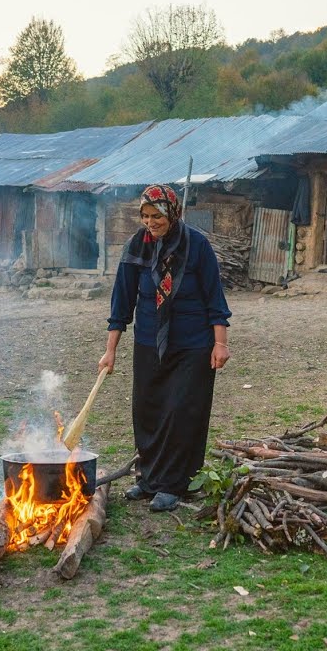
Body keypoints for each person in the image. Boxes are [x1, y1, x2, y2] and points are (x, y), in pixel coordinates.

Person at [100, 184, 232, 512]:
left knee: (181, 413)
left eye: (156, 215)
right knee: (147, 411)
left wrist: (220, 343)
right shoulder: (136, 247)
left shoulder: (196, 245)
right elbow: (122, 303)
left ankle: (174, 484)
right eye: (145, 216)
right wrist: (110, 350)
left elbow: (215, 299)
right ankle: (147, 478)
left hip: (193, 344)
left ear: (172, 213)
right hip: (148, 342)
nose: (150, 222)